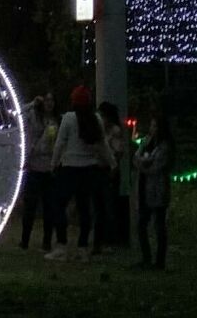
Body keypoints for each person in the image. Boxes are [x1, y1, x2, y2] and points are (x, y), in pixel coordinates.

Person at [48, 86, 108, 256]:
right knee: (84, 208)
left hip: (69, 169)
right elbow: (103, 145)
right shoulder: (96, 119)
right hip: (90, 169)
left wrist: (53, 163)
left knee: (59, 205)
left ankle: (61, 244)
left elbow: (60, 143)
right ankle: (82, 246)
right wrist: (111, 163)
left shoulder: (68, 119)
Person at [133, 110, 173, 270]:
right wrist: (143, 162)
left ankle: (159, 261)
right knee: (142, 224)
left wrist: (144, 164)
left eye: (155, 126)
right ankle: (146, 257)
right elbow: (137, 157)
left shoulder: (165, 146)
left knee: (159, 225)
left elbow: (156, 166)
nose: (152, 128)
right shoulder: (147, 141)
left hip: (158, 188)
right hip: (144, 187)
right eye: (151, 125)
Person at [18, 94, 56, 250]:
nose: (49, 103)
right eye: (46, 100)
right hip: (34, 166)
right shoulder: (33, 116)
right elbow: (18, 113)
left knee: (49, 207)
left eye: (52, 100)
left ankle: (46, 242)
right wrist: (32, 104)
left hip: (49, 168)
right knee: (30, 207)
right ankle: (24, 240)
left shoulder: (56, 120)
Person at [98, 100, 131, 249]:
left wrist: (113, 168)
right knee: (102, 204)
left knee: (110, 203)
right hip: (101, 168)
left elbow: (118, 152)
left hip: (109, 170)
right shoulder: (101, 131)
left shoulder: (115, 131)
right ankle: (104, 236)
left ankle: (112, 237)